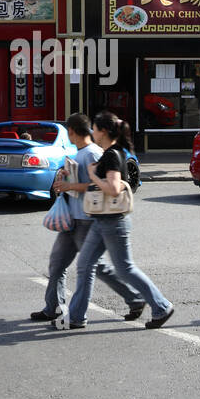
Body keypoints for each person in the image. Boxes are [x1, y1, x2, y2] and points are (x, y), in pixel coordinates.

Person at [62, 112, 174, 330]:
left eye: (94, 129)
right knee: (85, 264)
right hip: (101, 221)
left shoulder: (113, 155)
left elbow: (113, 189)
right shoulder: (109, 153)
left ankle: (161, 306)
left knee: (125, 268)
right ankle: (76, 317)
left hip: (113, 222)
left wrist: (93, 175)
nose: (92, 133)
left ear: (103, 132)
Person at [31, 114, 146, 322]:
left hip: (86, 219)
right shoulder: (79, 153)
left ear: (72, 131)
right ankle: (54, 307)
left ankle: (134, 298)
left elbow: (99, 186)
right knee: (57, 264)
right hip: (71, 219)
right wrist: (63, 177)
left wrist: (70, 186)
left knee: (97, 268)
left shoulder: (93, 153)